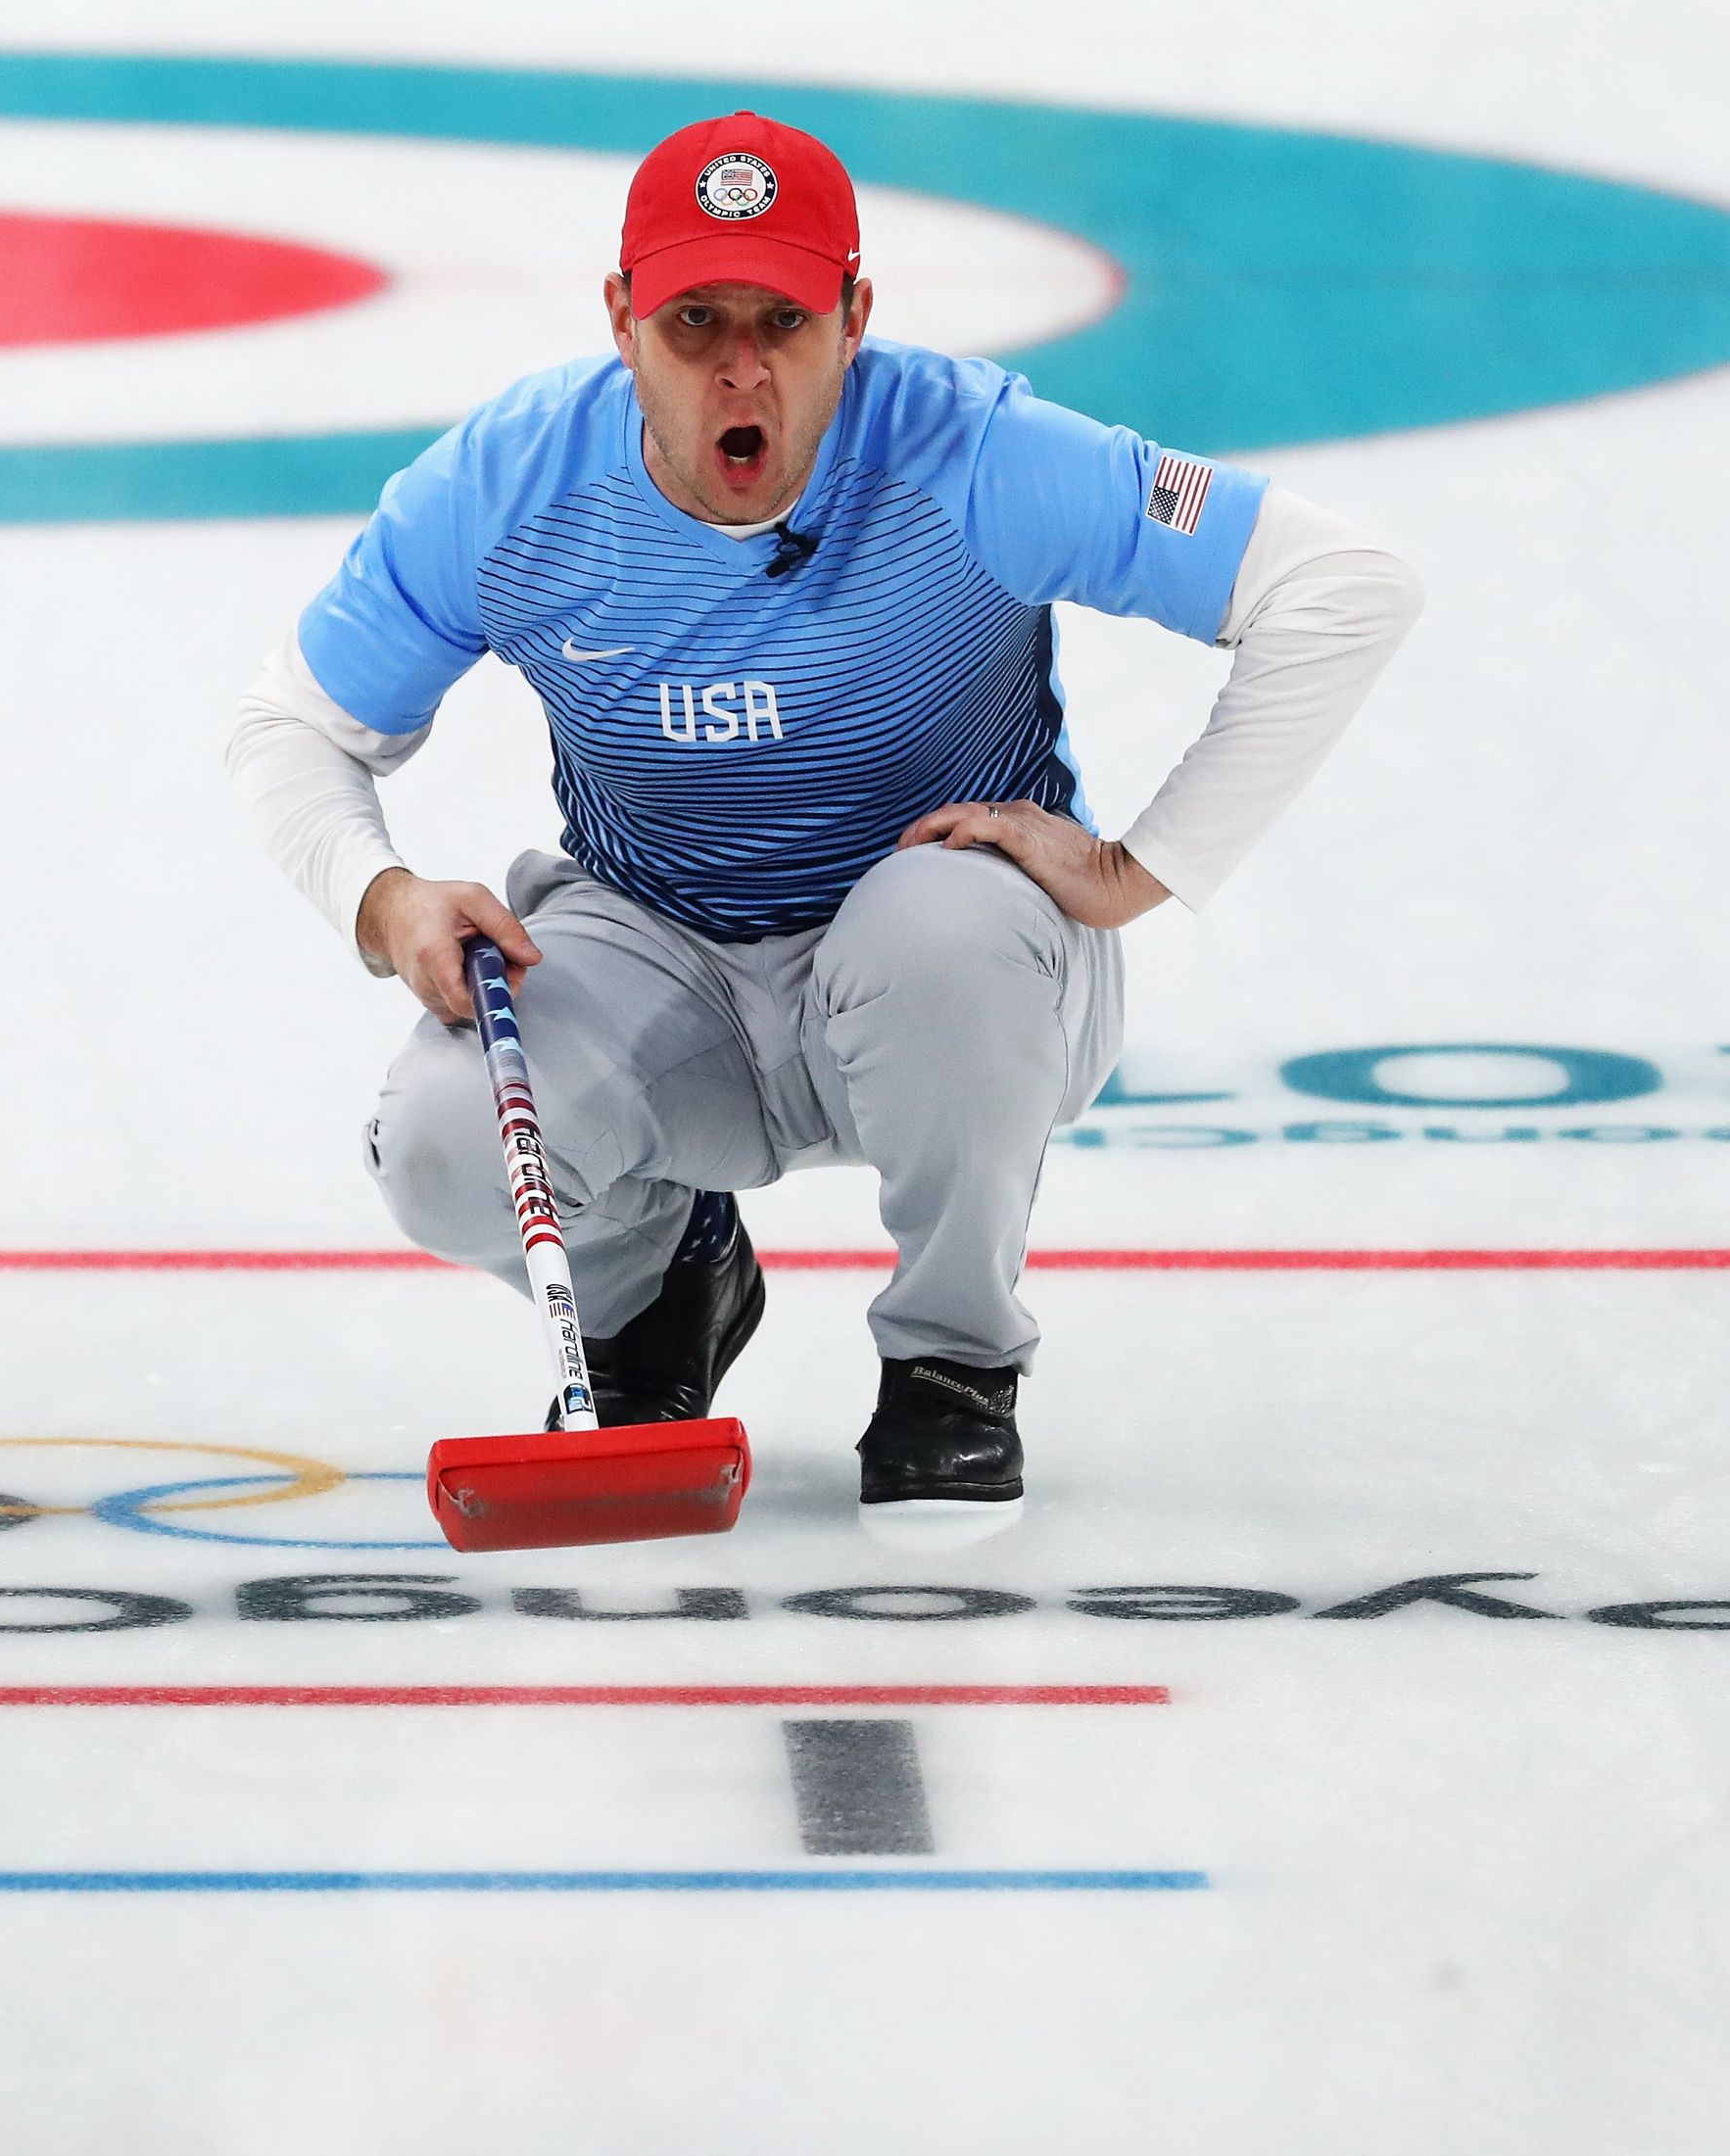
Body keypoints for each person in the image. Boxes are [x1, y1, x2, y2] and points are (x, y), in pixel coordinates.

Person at [225, 109, 1420, 1506]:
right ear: (621, 318)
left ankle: (952, 1362)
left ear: (855, 318)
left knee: (942, 931)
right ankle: (661, 1286)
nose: (742, 368)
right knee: (438, 1145)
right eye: (693, 323)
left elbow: (1343, 587)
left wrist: (1133, 868)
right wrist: (384, 895)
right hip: (657, 958)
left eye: (783, 320)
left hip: (954, 969)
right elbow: (289, 727)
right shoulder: (513, 485)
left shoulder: (976, 453)